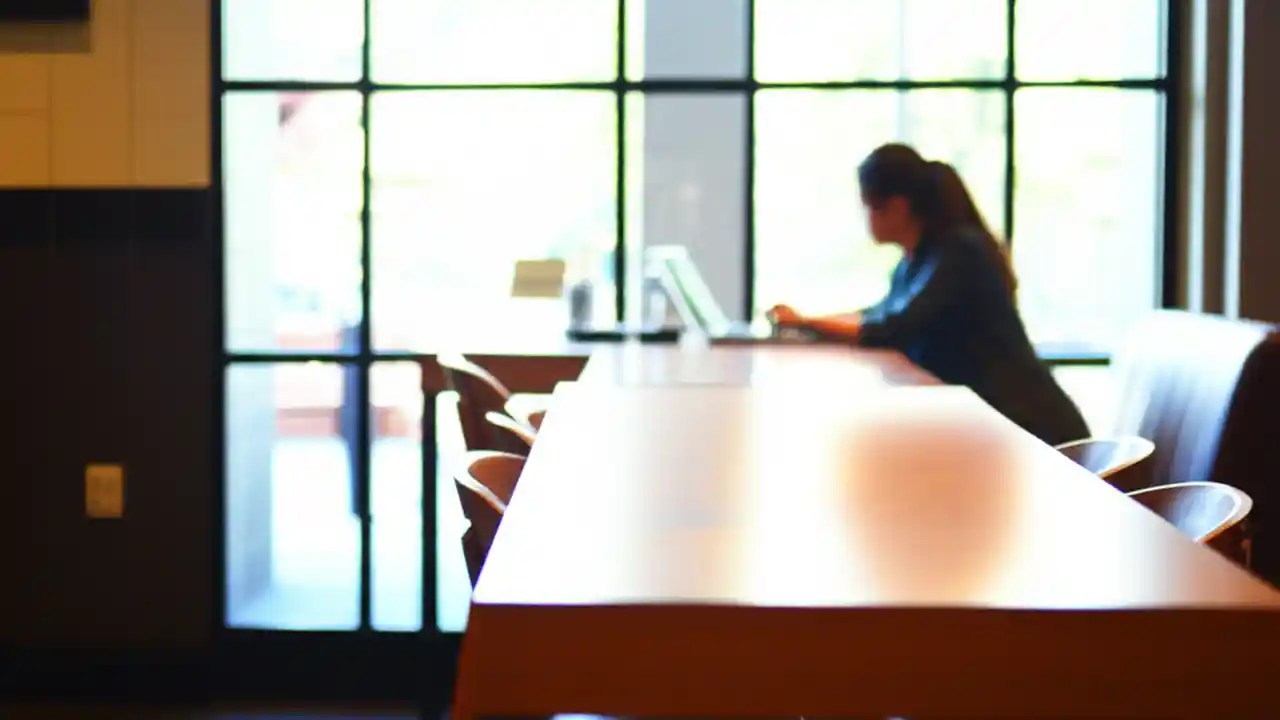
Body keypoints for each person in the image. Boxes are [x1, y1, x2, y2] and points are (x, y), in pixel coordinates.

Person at [769, 143, 1089, 446]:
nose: (865, 218)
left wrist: (807, 321)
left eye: (868, 206)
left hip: (1033, 430)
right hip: (989, 426)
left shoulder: (959, 251)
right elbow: (874, 316)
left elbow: (892, 329)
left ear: (896, 207)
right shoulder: (915, 262)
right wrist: (805, 321)